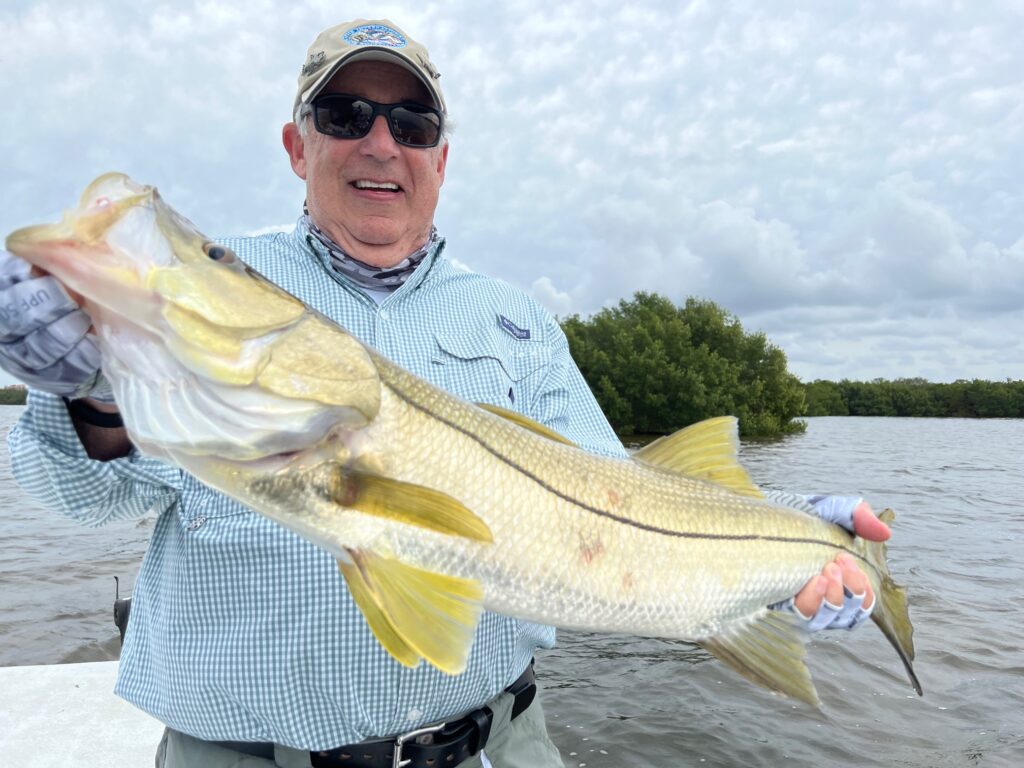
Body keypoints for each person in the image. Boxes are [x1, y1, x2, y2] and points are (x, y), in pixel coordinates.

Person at [0, 18, 890, 768]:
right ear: (296, 143)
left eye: (411, 122)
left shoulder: (518, 320)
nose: (381, 143)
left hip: (492, 748)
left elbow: (627, 499)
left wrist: (792, 533)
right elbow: (80, 497)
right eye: (346, 114)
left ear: (441, 156)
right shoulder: (213, 340)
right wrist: (92, 393)